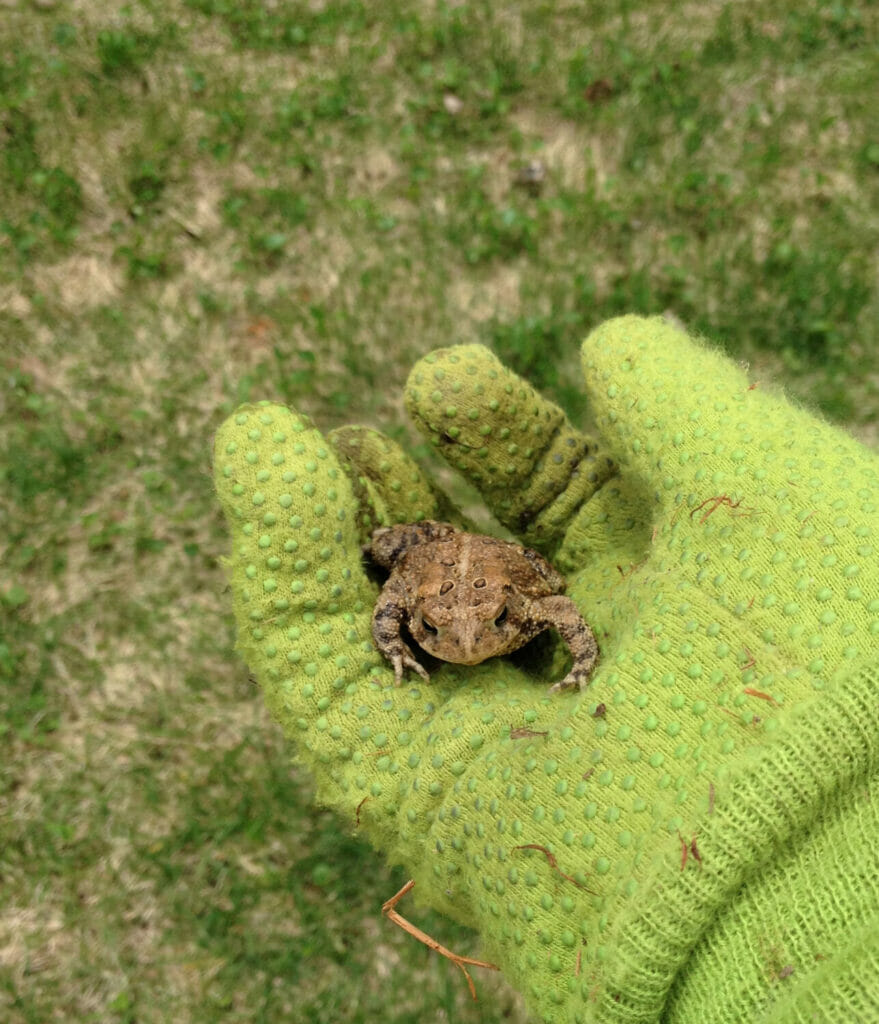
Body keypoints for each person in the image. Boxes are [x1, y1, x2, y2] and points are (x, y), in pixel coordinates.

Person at [214, 315, 879, 1022]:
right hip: (436, 563)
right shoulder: (414, 604)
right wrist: (403, 643)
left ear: (509, 613)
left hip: (495, 569)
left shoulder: (521, 606)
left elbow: (559, 606)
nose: (466, 645)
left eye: (490, 629)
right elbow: (392, 602)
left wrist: (580, 663)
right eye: (439, 635)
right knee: (387, 544)